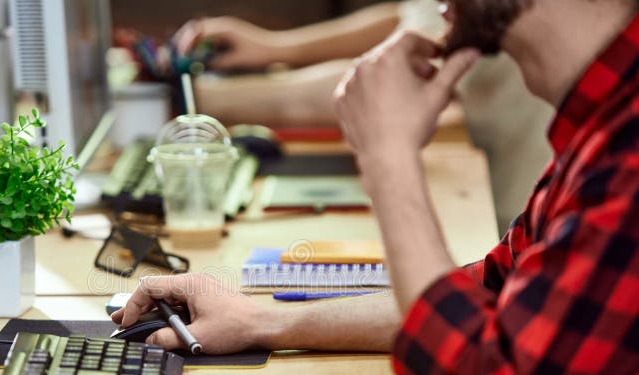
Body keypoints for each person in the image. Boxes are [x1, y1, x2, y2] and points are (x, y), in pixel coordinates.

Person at [114, 0, 639, 375]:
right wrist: (262, 322)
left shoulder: (628, 158)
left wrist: (389, 157)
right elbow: (490, 292)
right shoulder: (601, 127)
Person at [176, 0, 554, 234]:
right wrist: (277, 48)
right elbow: (410, 21)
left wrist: (196, 99)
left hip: (518, 223)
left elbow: (382, 88)